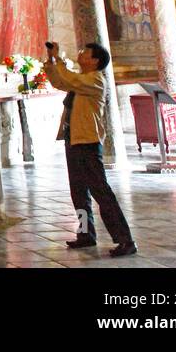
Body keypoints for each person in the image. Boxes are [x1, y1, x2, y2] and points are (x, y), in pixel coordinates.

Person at [43, 41, 137, 258]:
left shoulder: (95, 80)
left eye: (85, 52)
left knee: (101, 192)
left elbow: (69, 79)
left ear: (95, 61)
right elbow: (59, 81)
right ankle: (86, 233)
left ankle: (125, 239)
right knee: (78, 192)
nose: (81, 53)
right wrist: (52, 60)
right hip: (74, 139)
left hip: (87, 142)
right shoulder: (81, 80)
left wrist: (58, 60)